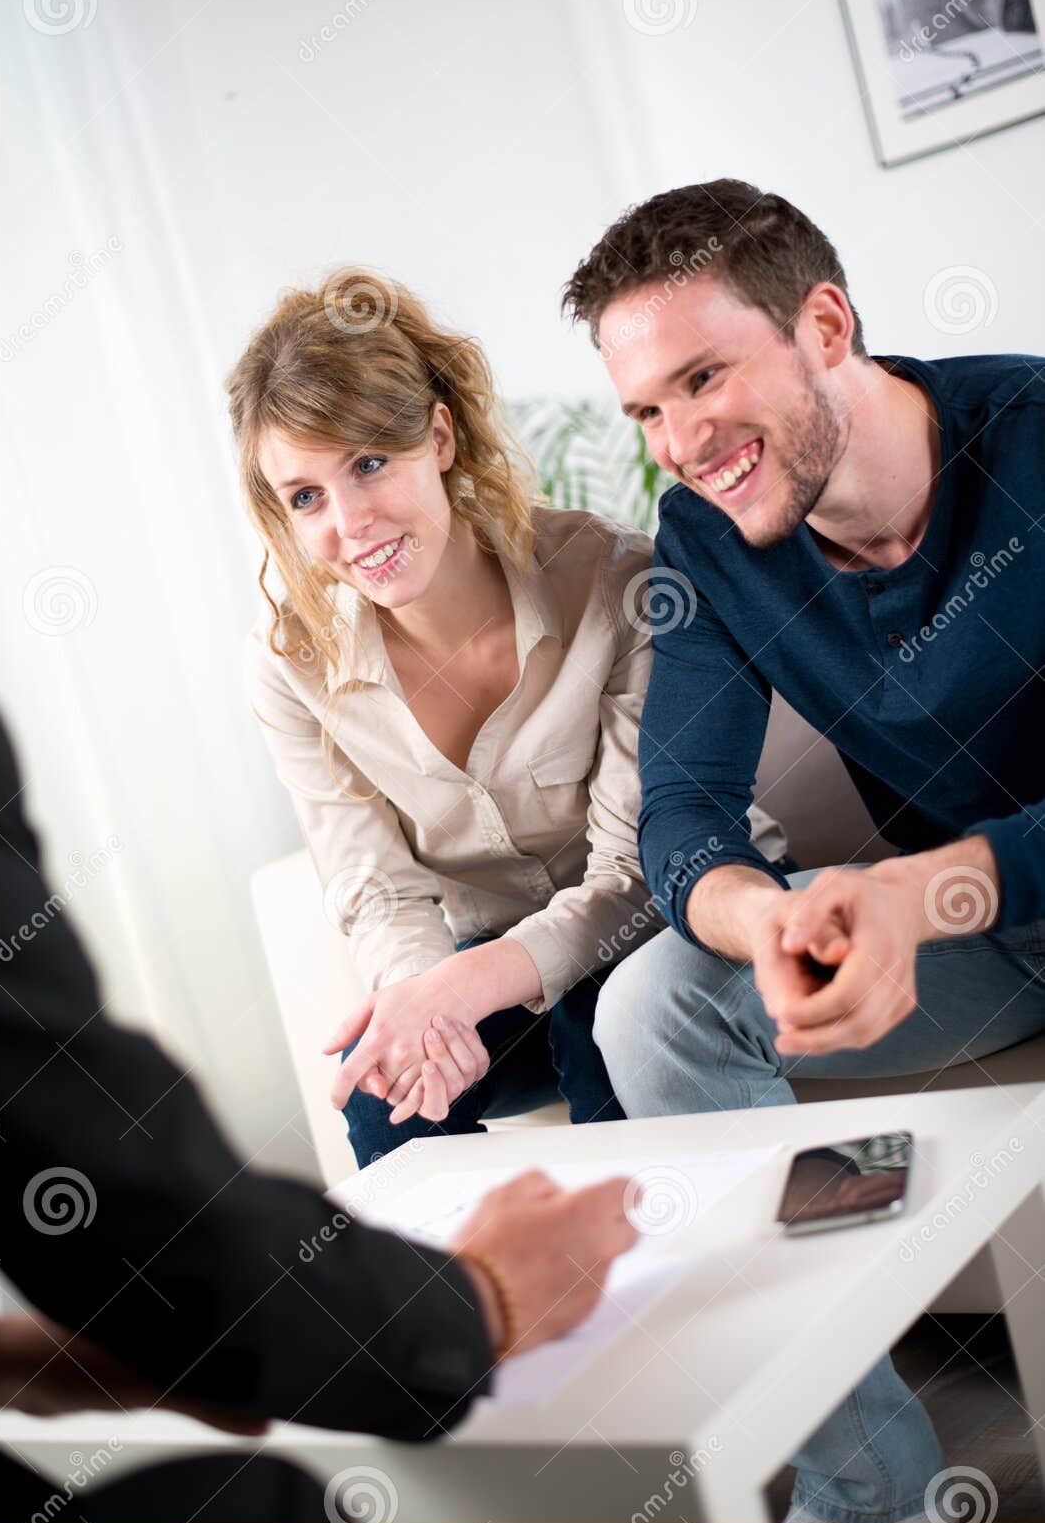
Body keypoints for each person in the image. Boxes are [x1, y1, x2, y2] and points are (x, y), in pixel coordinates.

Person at [555, 177, 1045, 1523]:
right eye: (648, 409)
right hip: (972, 935)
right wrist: (754, 918)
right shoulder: (715, 539)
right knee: (656, 1004)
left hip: (964, 896)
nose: (683, 441)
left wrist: (917, 886)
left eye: (706, 376)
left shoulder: (1035, 436)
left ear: (826, 325)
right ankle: (877, 1503)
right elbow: (682, 809)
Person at [0, 691, 639, 1523]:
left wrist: (9, 1363)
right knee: (280, 1520)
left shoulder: (609, 585)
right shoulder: (296, 669)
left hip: (593, 950)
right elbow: (102, 1185)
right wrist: (477, 1300)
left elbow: (96, 1187)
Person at [227, 268, 790, 1167]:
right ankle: (452, 1308)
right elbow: (377, 888)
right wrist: (422, 1003)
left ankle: (663, 1287)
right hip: (485, 960)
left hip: (659, 920)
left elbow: (636, 871)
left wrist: (463, 987)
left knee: (595, 1016)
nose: (351, 521)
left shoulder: (616, 583)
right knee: (384, 1093)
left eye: (370, 463)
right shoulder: (291, 665)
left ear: (440, 436)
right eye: (306, 497)